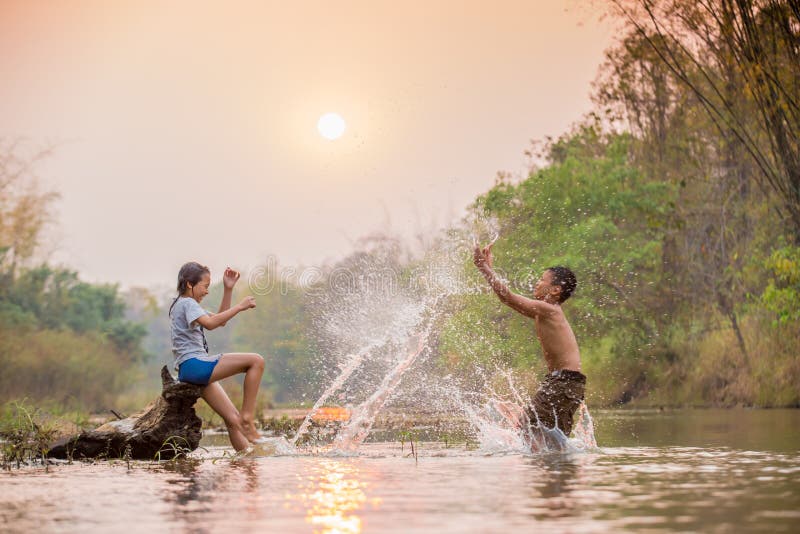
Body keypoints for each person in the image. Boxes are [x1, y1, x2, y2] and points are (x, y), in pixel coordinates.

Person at [473, 240, 585, 448]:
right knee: (551, 441)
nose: (537, 283)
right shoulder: (544, 312)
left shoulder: (548, 310)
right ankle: (558, 475)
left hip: (563, 382)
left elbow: (507, 297)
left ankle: (543, 474)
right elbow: (508, 300)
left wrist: (485, 269)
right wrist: (489, 269)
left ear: (555, 290)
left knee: (528, 429)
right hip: (569, 383)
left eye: (542, 280)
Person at [169, 261, 264, 450]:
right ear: (190, 284)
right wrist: (240, 306)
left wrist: (228, 289)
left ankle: (247, 463)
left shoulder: (184, 304)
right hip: (195, 365)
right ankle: (248, 418)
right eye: (204, 286)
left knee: (232, 420)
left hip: (190, 370)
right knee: (256, 361)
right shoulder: (188, 303)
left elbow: (219, 320)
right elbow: (211, 324)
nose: (206, 291)